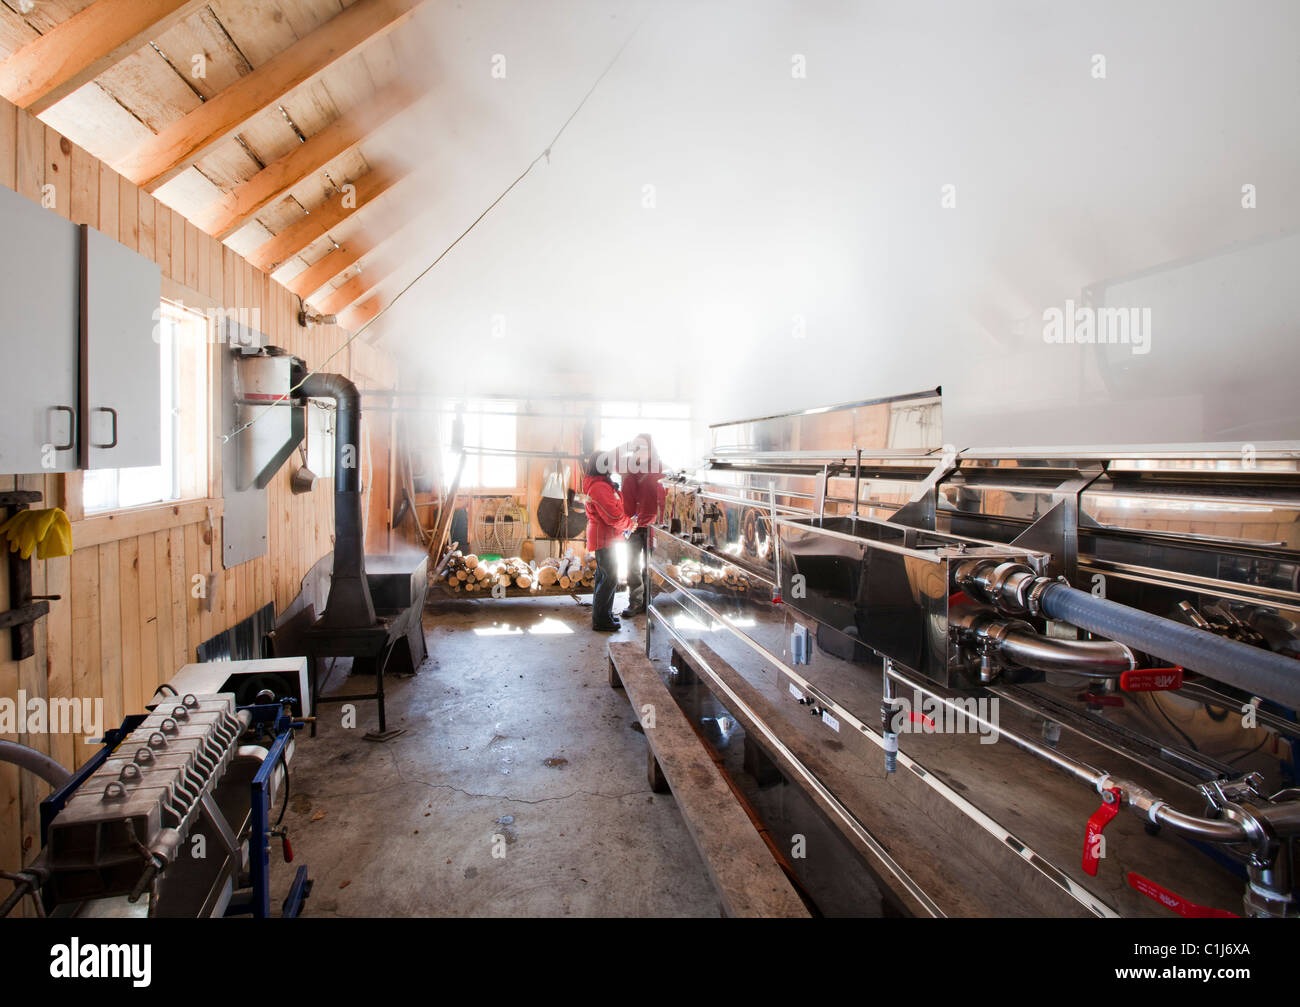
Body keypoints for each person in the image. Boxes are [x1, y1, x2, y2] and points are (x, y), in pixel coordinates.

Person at [581, 449, 635, 631]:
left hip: (607, 537)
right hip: (605, 538)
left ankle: (604, 615)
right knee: (609, 578)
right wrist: (628, 524)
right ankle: (602, 621)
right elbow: (612, 516)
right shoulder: (599, 488)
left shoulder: (602, 484)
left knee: (604, 577)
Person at [618, 433, 665, 618]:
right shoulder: (629, 469)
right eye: (635, 448)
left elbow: (664, 498)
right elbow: (626, 497)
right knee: (632, 565)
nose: (638, 452)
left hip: (652, 525)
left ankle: (648, 601)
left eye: (641, 448)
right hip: (632, 525)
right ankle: (635, 602)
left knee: (649, 565)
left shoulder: (659, 470)